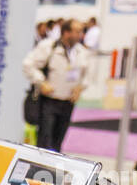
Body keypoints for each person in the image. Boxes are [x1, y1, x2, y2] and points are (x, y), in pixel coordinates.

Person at [22, 18, 91, 152]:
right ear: (66, 32)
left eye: (81, 32)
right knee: (45, 140)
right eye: (76, 31)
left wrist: (80, 88)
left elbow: (87, 75)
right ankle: (39, 169)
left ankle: (52, 170)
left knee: (58, 140)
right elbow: (28, 65)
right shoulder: (48, 47)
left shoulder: (81, 52)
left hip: (68, 101)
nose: (80, 35)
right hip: (49, 100)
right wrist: (41, 82)